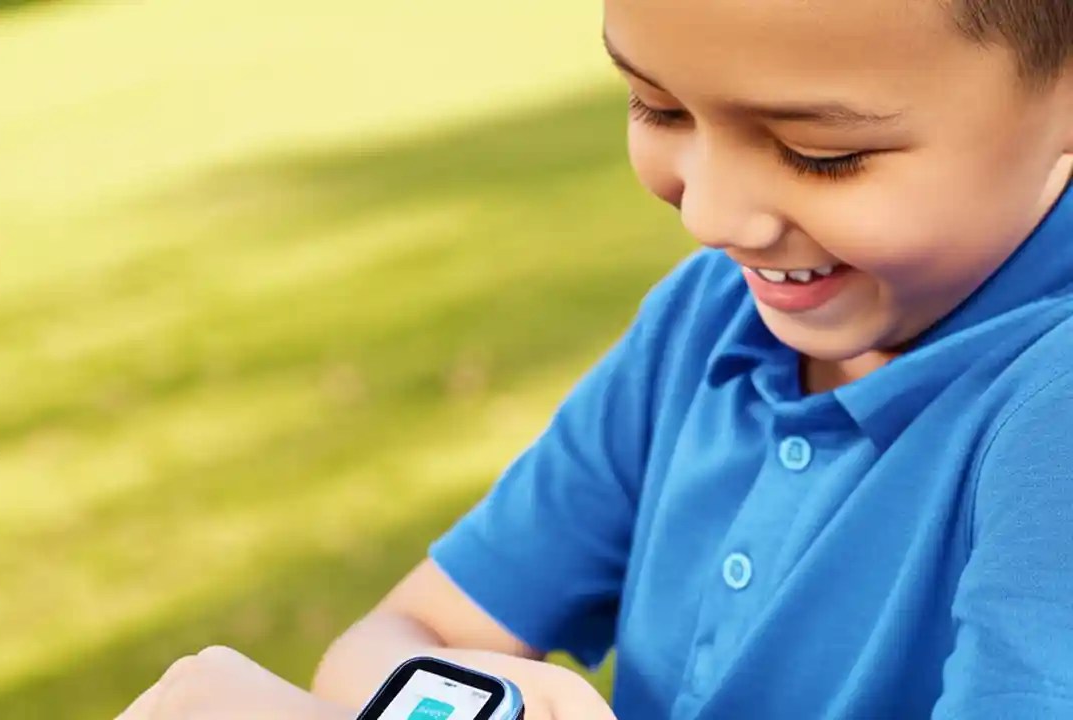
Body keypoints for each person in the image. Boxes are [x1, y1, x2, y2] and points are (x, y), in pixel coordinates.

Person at [119, 0, 1073, 717]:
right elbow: (399, 638)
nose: (709, 217)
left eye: (818, 152)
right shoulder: (706, 324)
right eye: (658, 108)